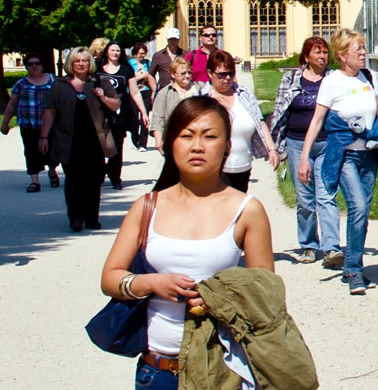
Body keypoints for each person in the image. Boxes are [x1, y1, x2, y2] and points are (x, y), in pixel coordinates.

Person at [100, 95, 275, 389]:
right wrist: (150, 283)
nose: (197, 146)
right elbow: (110, 277)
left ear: (227, 146)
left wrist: (218, 301)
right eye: (186, 135)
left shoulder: (247, 210)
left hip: (220, 369)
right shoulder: (146, 207)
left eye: (210, 136)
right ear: (170, 144)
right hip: (157, 371)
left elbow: (267, 293)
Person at [297, 28, 378, 295]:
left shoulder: (368, 77)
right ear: (343, 54)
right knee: (357, 205)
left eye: (363, 48)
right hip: (344, 155)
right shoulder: (332, 82)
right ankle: (356, 270)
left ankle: (350, 266)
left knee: (362, 212)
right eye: (357, 49)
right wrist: (304, 158)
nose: (363, 52)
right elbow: (318, 120)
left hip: (369, 155)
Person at [270, 36, 335, 264]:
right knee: (305, 198)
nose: (322, 57)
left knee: (327, 195)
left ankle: (331, 247)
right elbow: (279, 111)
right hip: (297, 143)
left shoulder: (333, 79)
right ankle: (308, 244)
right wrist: (276, 146)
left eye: (325, 52)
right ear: (306, 57)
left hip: (327, 143)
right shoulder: (291, 79)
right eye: (317, 52)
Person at [41, 47, 121, 231]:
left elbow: (115, 103)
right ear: (71, 63)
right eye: (77, 60)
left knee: (93, 180)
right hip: (68, 140)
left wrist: (102, 96)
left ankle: (92, 218)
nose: (81, 64)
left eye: (84, 60)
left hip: (95, 140)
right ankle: (75, 217)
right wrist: (44, 136)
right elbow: (50, 111)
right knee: (73, 180)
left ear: (90, 63)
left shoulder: (100, 81)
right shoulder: (60, 85)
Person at [195, 48, 277, 193]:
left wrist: (271, 149)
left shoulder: (244, 94)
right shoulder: (202, 97)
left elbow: (260, 122)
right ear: (209, 74)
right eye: (222, 74)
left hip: (243, 166)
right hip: (213, 168)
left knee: (238, 208)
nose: (227, 78)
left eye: (231, 73)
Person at [0, 52, 60, 191]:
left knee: (52, 152)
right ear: (26, 67)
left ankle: (52, 170)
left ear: (42, 65)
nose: (34, 66)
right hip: (28, 124)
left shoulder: (53, 81)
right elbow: (12, 104)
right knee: (31, 152)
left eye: (37, 63)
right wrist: (5, 123)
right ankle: (35, 181)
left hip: (50, 124)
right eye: (30, 64)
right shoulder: (21, 83)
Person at [97, 41, 142, 190]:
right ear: (107, 52)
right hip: (99, 111)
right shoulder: (98, 68)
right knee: (97, 146)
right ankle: (100, 172)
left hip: (120, 112)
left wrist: (143, 111)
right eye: (112, 50)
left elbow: (134, 92)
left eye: (118, 50)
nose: (115, 53)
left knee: (117, 146)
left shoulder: (126, 70)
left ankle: (115, 177)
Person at [149, 57, 195, 143]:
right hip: (174, 138)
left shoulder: (199, 89)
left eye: (189, 72)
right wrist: (158, 140)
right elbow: (158, 119)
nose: (187, 76)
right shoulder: (164, 93)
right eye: (183, 73)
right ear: (173, 74)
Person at [129, 42, 158, 150]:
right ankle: (135, 139)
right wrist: (142, 76)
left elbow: (151, 76)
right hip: (133, 93)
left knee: (144, 118)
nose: (142, 55)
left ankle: (142, 143)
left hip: (146, 92)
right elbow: (130, 79)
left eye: (144, 53)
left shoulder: (148, 63)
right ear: (135, 54)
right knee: (134, 120)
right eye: (140, 53)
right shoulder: (129, 63)